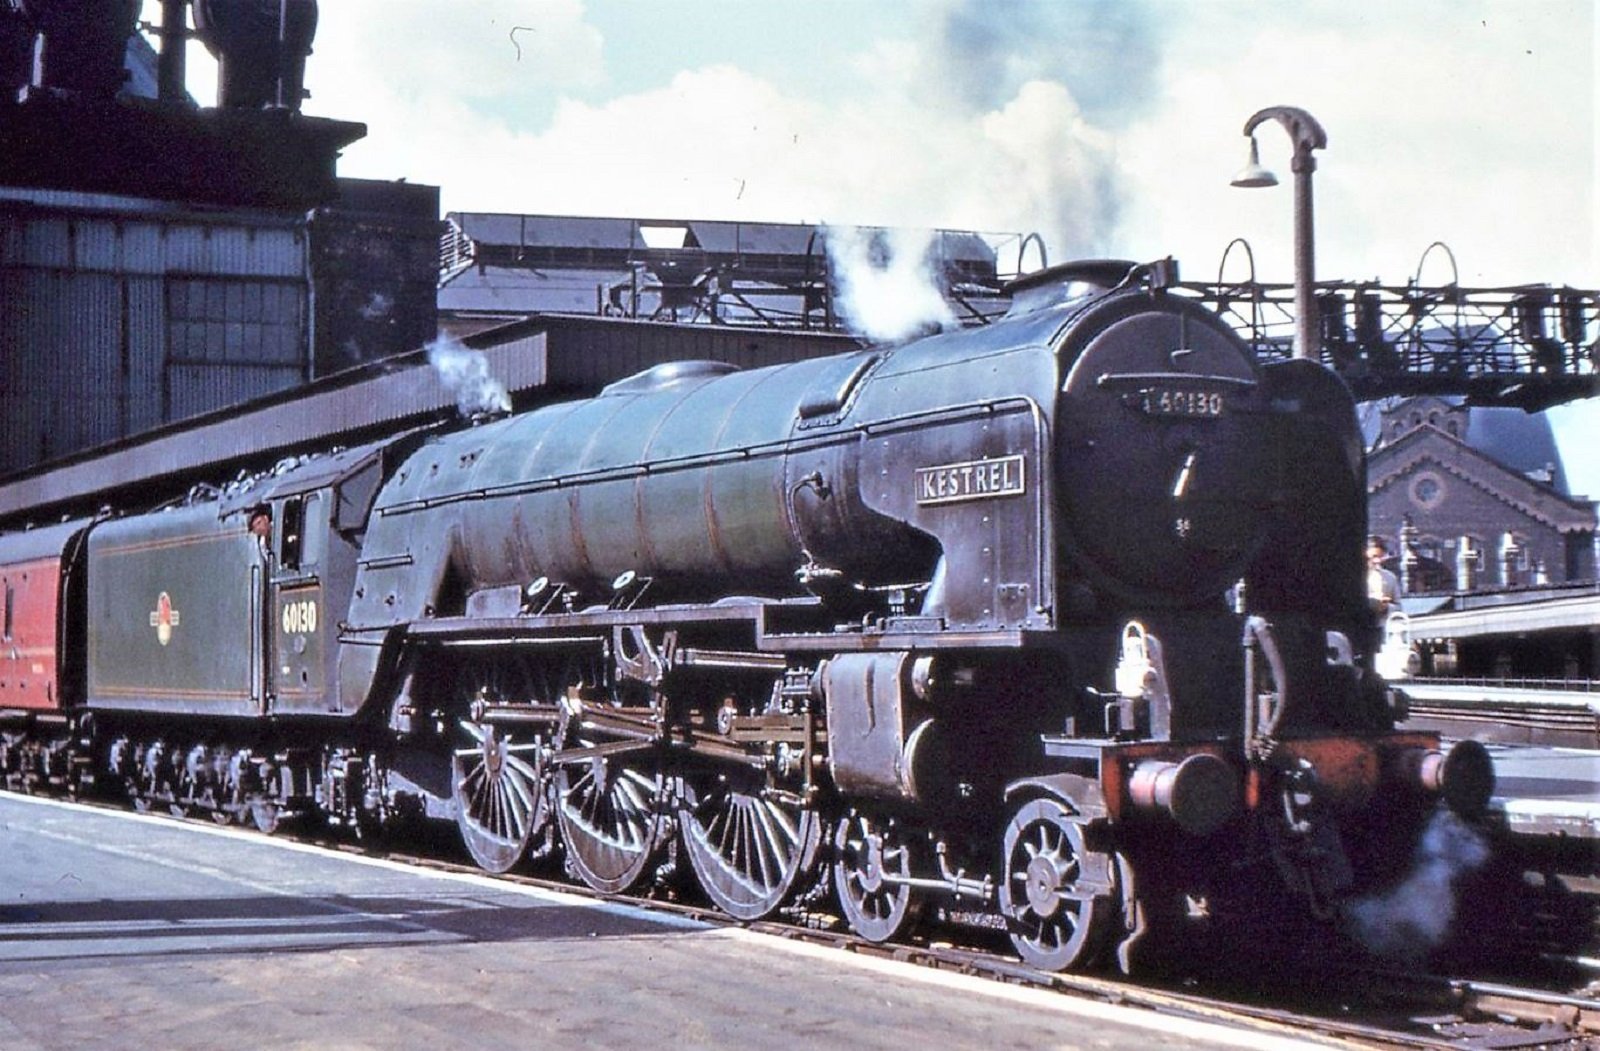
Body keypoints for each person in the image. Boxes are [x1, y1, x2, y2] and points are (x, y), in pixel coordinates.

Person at [1366, 535, 1401, 615]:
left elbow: (1399, 607)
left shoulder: (1390, 577)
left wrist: (1386, 607)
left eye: (1381, 557)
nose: (1377, 561)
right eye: (1374, 556)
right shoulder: (1353, 578)